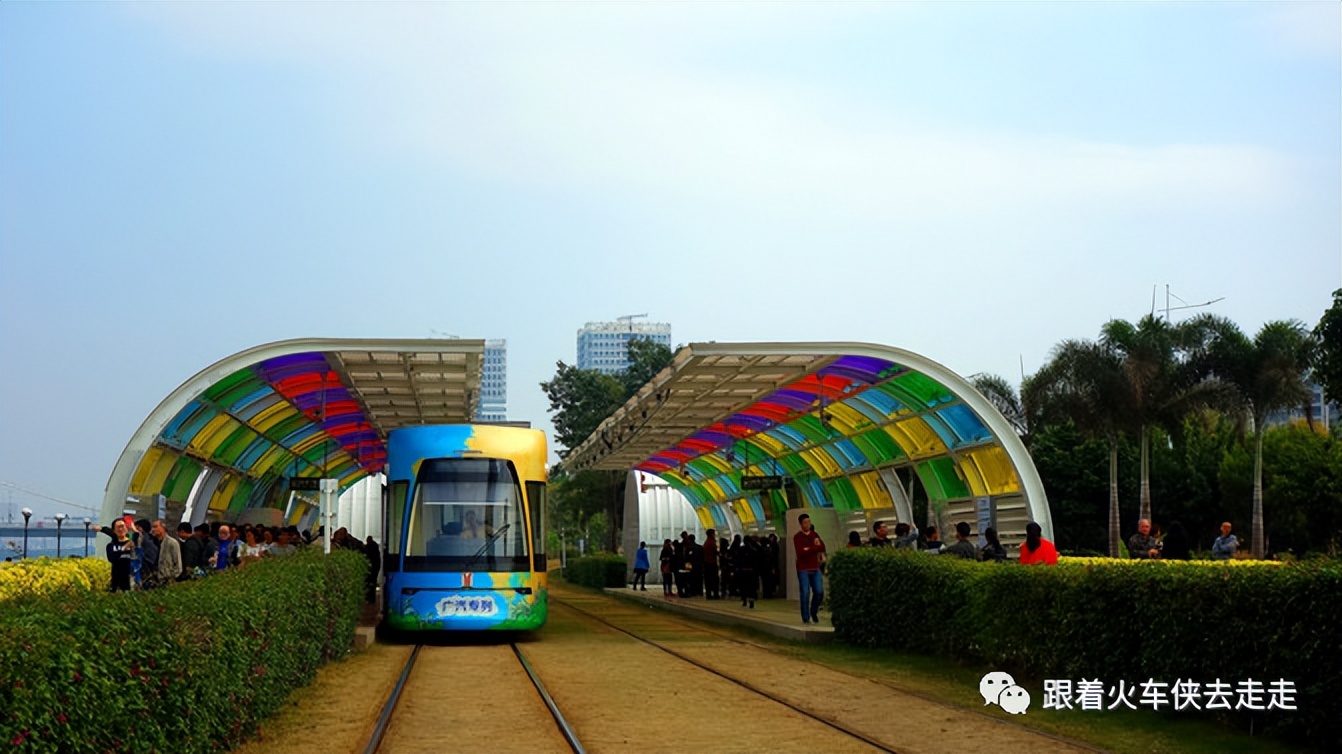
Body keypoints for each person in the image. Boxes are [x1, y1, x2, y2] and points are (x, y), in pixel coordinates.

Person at [793, 513, 826, 624]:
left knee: (819, 591)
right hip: (803, 568)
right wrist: (814, 548)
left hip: (815, 566)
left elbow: (821, 547)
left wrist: (809, 548)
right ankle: (805, 617)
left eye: (809, 522)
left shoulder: (814, 535)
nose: (807, 524)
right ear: (801, 524)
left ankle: (814, 611)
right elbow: (800, 552)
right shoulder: (797, 537)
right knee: (805, 592)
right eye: (805, 522)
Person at [105, 519, 137, 592]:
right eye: (118, 527)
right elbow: (111, 558)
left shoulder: (132, 543)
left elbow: (138, 536)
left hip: (132, 580)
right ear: (114, 530)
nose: (121, 529)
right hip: (117, 583)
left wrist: (133, 529)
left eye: (123, 526)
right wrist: (123, 549)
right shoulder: (111, 545)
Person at [151, 520, 182, 586]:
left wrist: (171, 579)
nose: (153, 529)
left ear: (163, 528)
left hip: (167, 581)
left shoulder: (172, 543)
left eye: (155, 527)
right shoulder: (154, 543)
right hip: (156, 581)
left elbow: (178, 566)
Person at [702, 529, 720, 599]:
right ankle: (715, 594)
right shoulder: (711, 542)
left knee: (708, 580)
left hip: (707, 563)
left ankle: (709, 594)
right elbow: (714, 552)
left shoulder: (706, 542)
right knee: (714, 579)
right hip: (711, 563)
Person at [364, 536, 381, 603]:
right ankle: (372, 599)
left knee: (370, 583)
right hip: (375, 567)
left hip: (372, 568)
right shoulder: (375, 547)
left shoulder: (370, 547)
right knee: (373, 583)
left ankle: (370, 599)